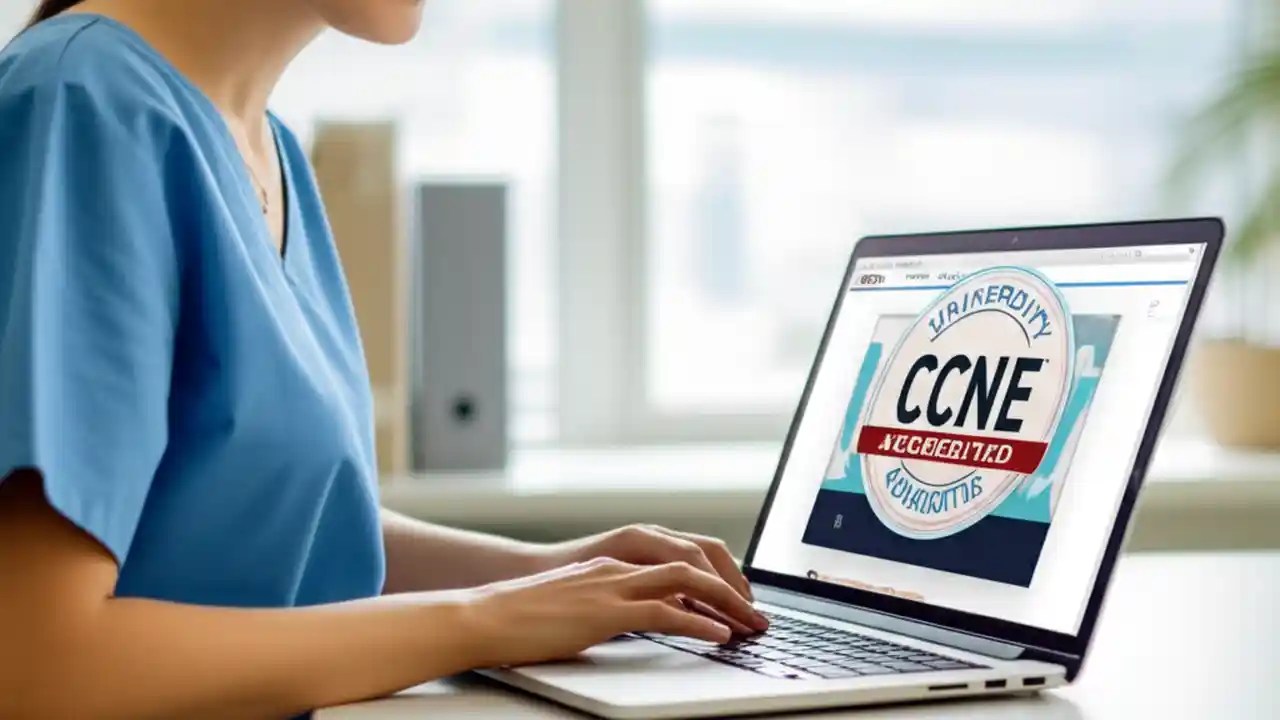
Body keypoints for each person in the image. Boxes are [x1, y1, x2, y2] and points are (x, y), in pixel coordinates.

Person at [0, 1, 768, 717]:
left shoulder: (269, 147)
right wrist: (484, 620)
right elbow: (36, 662)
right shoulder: (81, 104)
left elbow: (269, 525)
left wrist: (542, 571)